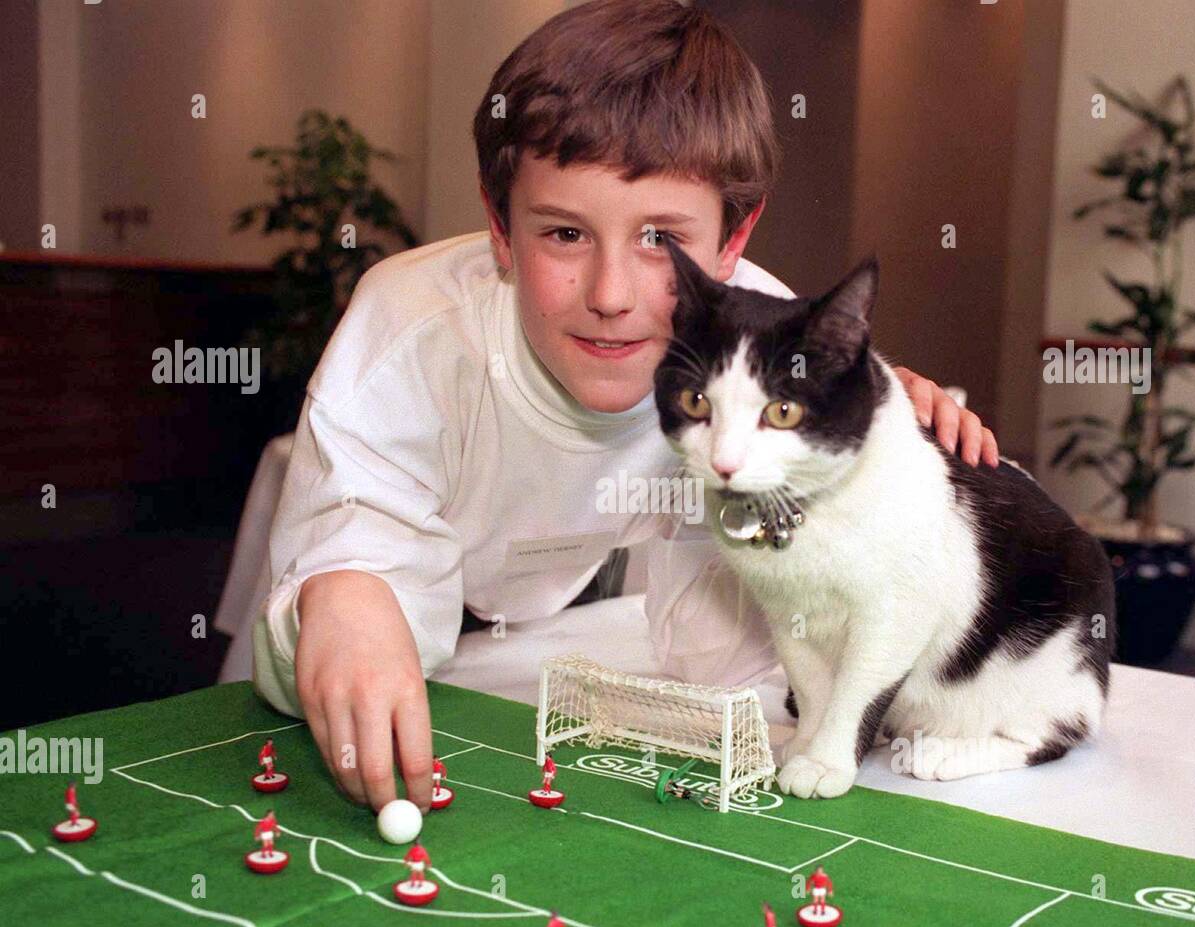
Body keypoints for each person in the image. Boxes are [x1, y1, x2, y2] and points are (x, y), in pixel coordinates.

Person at [251, 0, 999, 814]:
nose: (610, 297)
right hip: (356, 684)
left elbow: (744, 653)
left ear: (733, 239)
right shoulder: (408, 332)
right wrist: (344, 589)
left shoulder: (758, 354)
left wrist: (878, 438)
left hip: (550, 644)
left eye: (659, 242)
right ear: (500, 227)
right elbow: (323, 600)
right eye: (564, 235)